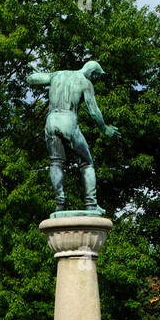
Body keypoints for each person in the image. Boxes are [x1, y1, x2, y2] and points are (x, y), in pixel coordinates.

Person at [28, 60, 120, 214]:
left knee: (56, 162)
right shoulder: (85, 83)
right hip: (68, 119)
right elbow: (94, 111)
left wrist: (40, 76)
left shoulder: (57, 75)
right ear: (93, 73)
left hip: (51, 121)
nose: (97, 80)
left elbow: (32, 79)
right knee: (86, 163)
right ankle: (91, 203)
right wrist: (104, 128)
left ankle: (60, 203)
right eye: (98, 77)